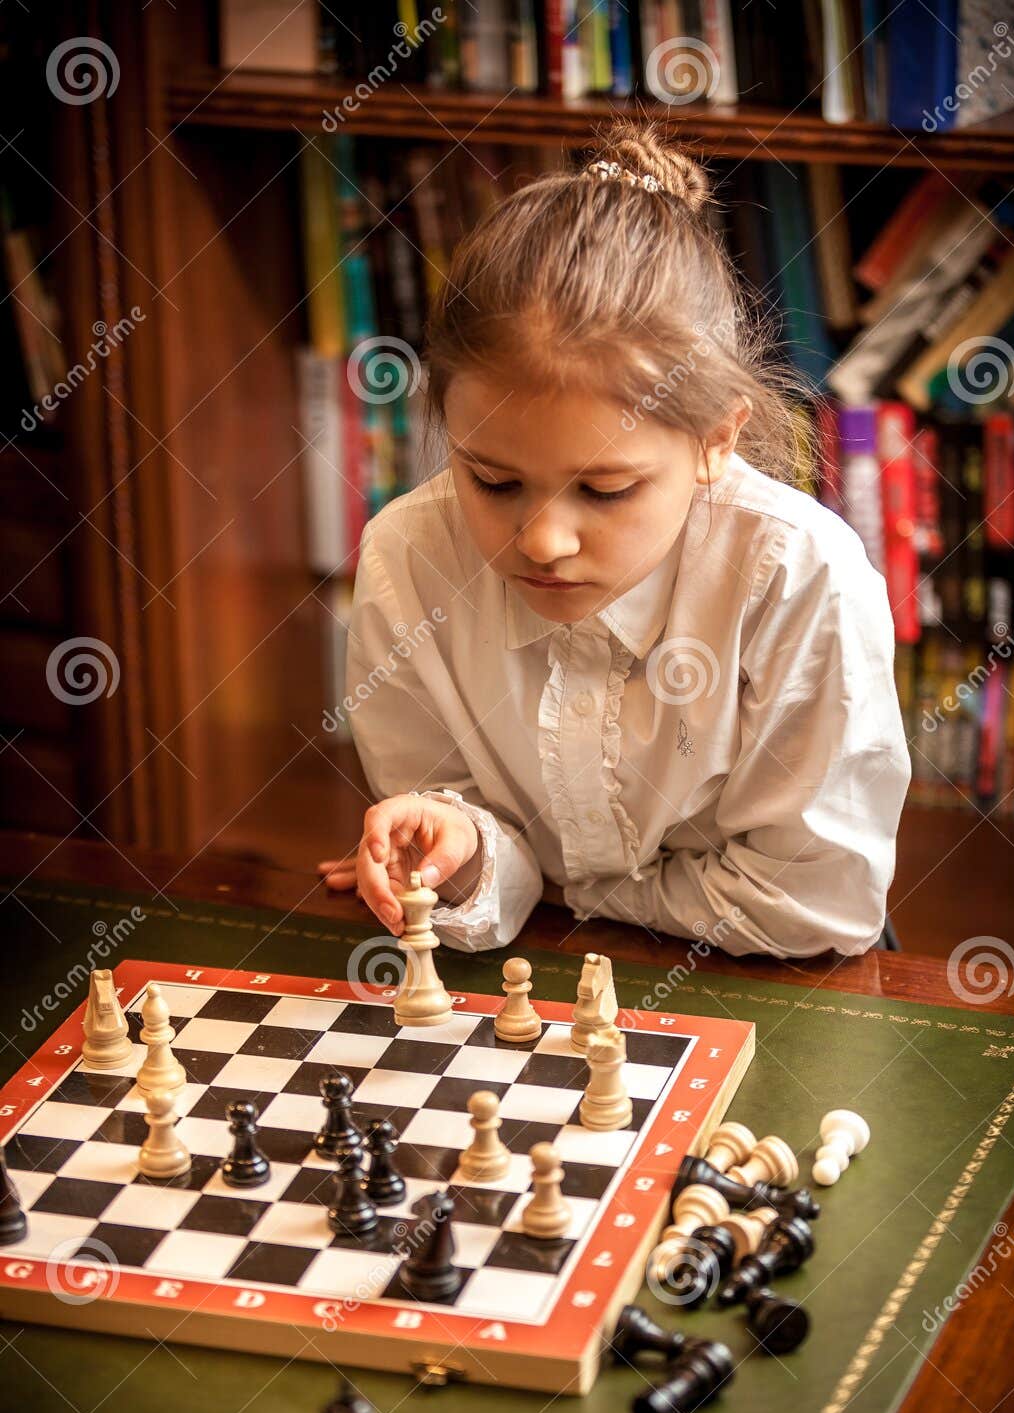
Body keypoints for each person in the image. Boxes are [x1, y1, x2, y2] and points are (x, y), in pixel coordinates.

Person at [319, 118, 911, 959]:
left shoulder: (798, 574)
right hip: (549, 974)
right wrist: (461, 853)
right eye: (490, 480)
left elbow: (806, 905)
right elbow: (460, 837)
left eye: (604, 489)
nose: (543, 540)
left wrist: (558, 888)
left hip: (784, 980)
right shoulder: (407, 557)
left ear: (715, 439)